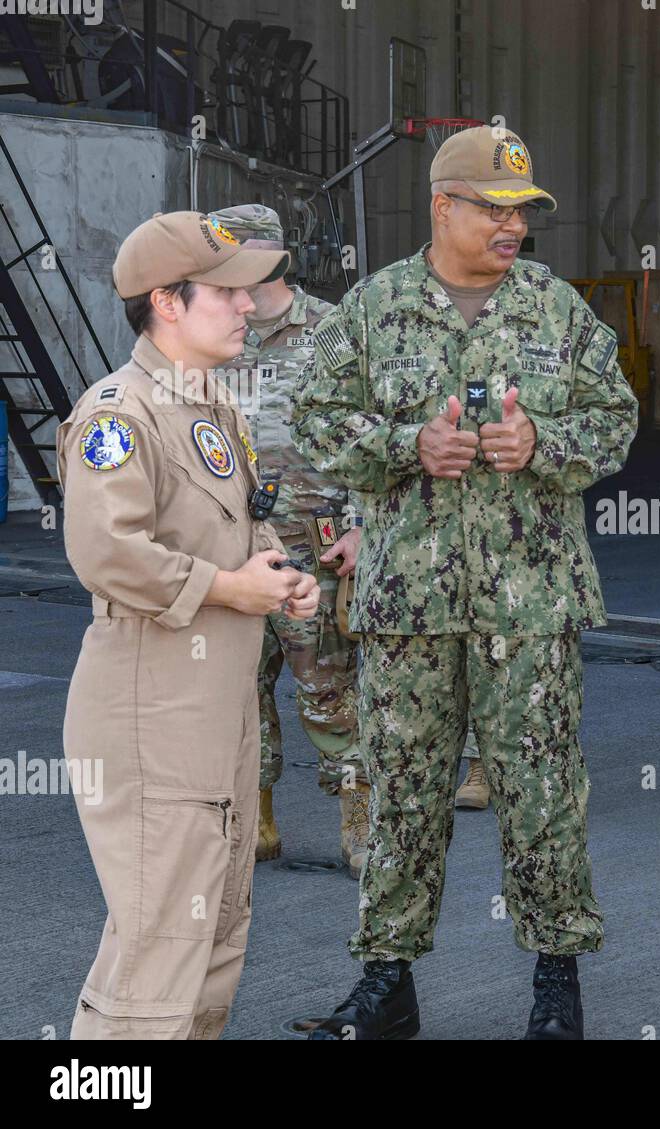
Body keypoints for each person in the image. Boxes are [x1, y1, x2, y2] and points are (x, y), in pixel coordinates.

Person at [292, 126, 637, 1040]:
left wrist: (544, 446)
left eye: (522, 210)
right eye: (494, 207)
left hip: (531, 605)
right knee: (403, 791)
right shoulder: (373, 308)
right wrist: (405, 447)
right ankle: (386, 984)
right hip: (408, 602)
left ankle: (556, 986)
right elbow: (316, 421)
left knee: (542, 791)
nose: (513, 225)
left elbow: (616, 420)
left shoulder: (558, 311)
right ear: (443, 204)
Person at [57, 211, 320, 1038]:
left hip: (217, 713)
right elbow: (106, 550)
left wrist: (278, 576)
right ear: (167, 302)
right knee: (157, 956)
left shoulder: (212, 407)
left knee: (213, 937)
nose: (250, 306)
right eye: (228, 291)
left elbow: (244, 524)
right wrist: (227, 588)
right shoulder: (117, 414)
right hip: (152, 717)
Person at [205, 204, 371, 878]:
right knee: (237, 691)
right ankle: (258, 820)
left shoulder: (331, 329)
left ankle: (358, 822)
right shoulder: (210, 335)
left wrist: (362, 521)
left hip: (314, 550)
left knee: (328, 689)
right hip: (232, 550)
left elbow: (370, 428)